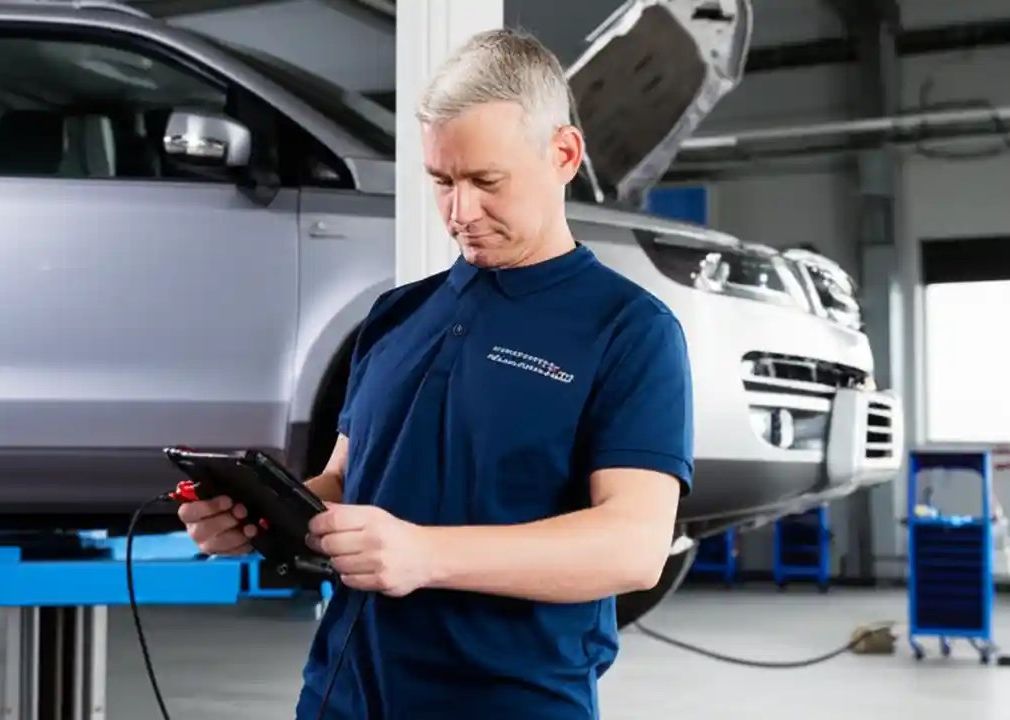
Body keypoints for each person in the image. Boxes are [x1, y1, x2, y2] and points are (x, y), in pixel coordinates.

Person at [177, 27, 694, 719]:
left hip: (513, 703)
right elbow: (343, 480)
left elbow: (632, 547)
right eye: (442, 181)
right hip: (342, 695)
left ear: (563, 154)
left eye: (486, 181)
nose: (460, 212)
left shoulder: (628, 329)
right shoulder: (396, 317)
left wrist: (425, 555)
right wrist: (262, 514)